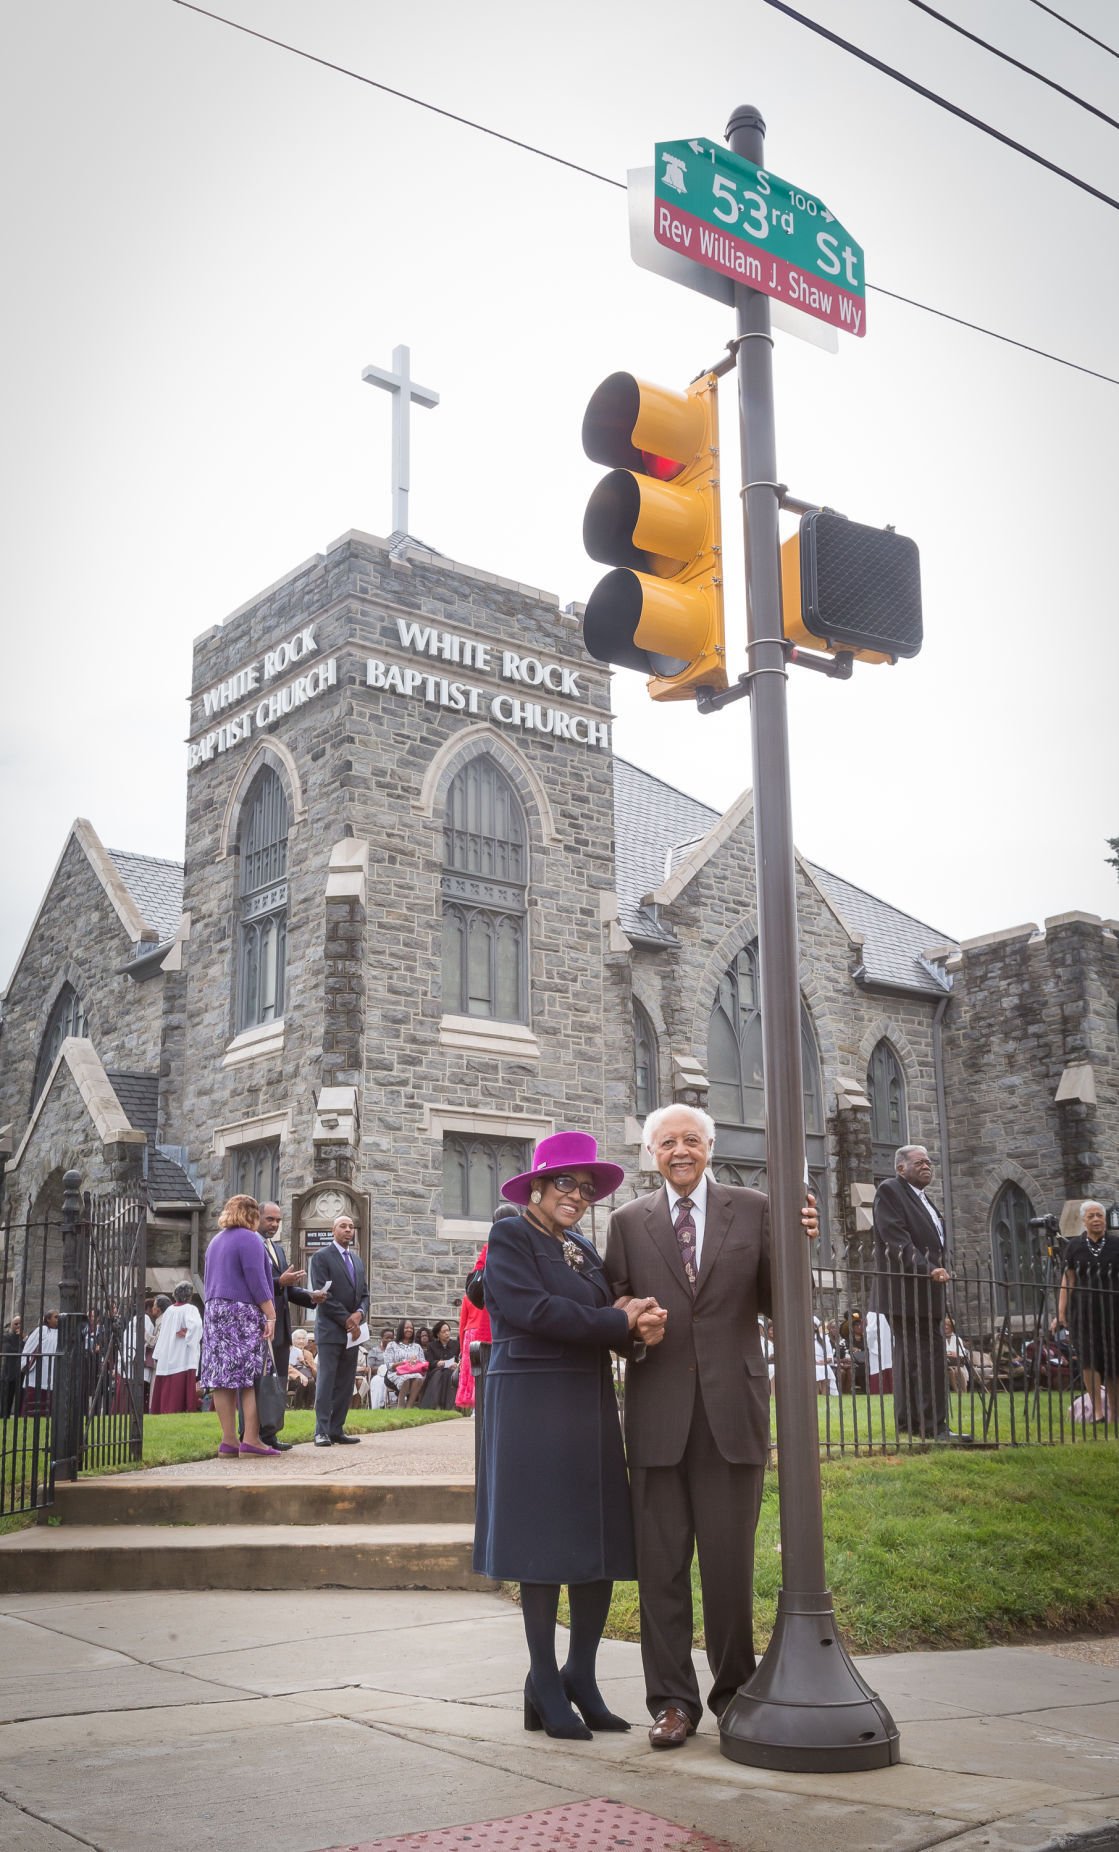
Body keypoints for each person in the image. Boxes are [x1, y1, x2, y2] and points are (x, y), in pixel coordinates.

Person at [604, 1103, 818, 1749]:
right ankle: (671, 1703)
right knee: (661, 1571)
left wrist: (799, 1243)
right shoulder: (626, 1222)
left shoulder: (755, 1209)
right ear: (651, 1153)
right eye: (666, 1142)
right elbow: (613, 1307)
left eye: (690, 1140)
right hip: (658, 1419)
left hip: (732, 1416)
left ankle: (735, 1695)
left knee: (729, 1570)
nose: (679, 1151)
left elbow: (783, 1301)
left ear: (709, 1146)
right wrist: (630, 1321)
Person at [473, 1130, 665, 1741]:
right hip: (531, 1402)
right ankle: (542, 1681)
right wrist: (617, 1319)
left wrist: (638, 1326)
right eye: (566, 1184)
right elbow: (533, 1311)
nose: (577, 1197)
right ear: (536, 1185)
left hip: (586, 1400)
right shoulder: (510, 1235)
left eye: (586, 1189)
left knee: (595, 1537)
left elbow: (609, 1312)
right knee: (542, 1542)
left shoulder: (581, 1245)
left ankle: (579, 1673)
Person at [872, 1145, 965, 1443]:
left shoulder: (925, 1200)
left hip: (927, 1292)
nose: (927, 1166)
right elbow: (896, 1239)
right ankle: (934, 1426)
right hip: (907, 1290)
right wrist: (928, 1269)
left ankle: (912, 1424)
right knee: (926, 1357)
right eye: (919, 1162)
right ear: (901, 1168)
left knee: (914, 1356)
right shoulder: (891, 1191)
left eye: (928, 1162)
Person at [199, 1194, 280, 1457]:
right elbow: (257, 1280)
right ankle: (252, 1440)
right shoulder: (250, 1239)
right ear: (252, 1214)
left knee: (223, 1378)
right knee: (249, 1378)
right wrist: (271, 1314)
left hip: (214, 1310)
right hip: (241, 1311)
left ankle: (229, 1440)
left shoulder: (215, 1241)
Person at [255, 1200, 326, 1449]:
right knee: (261, 1382)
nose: (274, 1225)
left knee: (278, 1382)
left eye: (277, 1220)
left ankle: (271, 1433)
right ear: (257, 1217)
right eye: (269, 1219)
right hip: (262, 1326)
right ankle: (254, 1434)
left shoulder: (279, 1250)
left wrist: (310, 1296)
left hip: (283, 1326)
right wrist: (279, 1281)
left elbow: (287, 1288)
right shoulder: (251, 1246)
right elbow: (257, 1285)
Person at [1055, 1200, 1119, 1424]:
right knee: (1089, 1360)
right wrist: (1061, 1312)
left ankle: (1114, 1412)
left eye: (1099, 1215)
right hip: (1083, 1312)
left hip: (1113, 1311)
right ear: (1084, 1221)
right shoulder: (1074, 1247)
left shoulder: (1115, 1244)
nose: (1096, 1220)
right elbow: (1068, 1280)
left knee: (1113, 1362)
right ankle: (1098, 1411)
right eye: (1091, 1216)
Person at [308, 1213, 369, 1446]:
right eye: (343, 1226)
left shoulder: (357, 1260)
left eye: (351, 1227)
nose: (348, 1230)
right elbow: (323, 1295)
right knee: (326, 1380)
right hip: (331, 1331)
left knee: (346, 1382)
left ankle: (336, 1429)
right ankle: (321, 1431)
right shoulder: (321, 1257)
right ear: (333, 1230)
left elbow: (364, 1294)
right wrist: (347, 1320)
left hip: (352, 1334)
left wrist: (360, 1314)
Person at [149, 1283, 203, 1413]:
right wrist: (189, 1335)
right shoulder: (191, 1309)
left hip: (167, 1355)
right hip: (182, 1355)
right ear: (189, 1296)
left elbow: (164, 1334)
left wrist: (157, 1354)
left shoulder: (169, 1311)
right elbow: (196, 1327)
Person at [20, 1311, 59, 1416]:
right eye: (56, 1317)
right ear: (48, 1319)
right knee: (33, 1403)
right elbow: (29, 1348)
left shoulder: (62, 1332)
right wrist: (25, 1363)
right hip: (38, 1372)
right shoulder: (41, 1330)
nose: (58, 1319)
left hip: (53, 1372)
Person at [384, 1320, 428, 1407]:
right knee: (406, 1379)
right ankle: (400, 1406)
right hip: (395, 1373)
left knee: (419, 1378)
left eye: (411, 1328)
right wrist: (405, 1362)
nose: (409, 1330)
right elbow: (389, 1366)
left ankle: (409, 1407)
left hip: (414, 1373)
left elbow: (423, 1364)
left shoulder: (417, 1346)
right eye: (406, 1328)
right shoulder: (392, 1345)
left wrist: (416, 1363)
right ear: (401, 1329)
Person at [418, 1320, 459, 1409]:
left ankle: (449, 1406)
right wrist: (437, 1363)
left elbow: (460, 1359)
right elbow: (429, 1362)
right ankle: (435, 1405)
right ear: (438, 1334)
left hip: (452, 1370)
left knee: (449, 1374)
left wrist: (457, 1364)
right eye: (444, 1332)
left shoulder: (455, 1344)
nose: (447, 1333)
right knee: (441, 1374)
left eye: (448, 1330)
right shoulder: (432, 1346)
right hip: (437, 1371)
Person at [1, 1316, 23, 1420]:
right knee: (6, 1397)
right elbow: (8, 1351)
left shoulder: (23, 1337)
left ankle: (18, 1416)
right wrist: (22, 1344)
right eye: (16, 1324)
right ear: (11, 1325)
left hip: (21, 1371)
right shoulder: (6, 1336)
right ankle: (4, 1416)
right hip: (9, 1371)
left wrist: (23, 1340)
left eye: (20, 1324)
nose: (18, 1326)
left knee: (20, 1396)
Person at [943, 1314, 969, 1395]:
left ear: (952, 1327)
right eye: (945, 1325)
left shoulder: (957, 1339)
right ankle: (956, 1391)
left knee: (959, 1370)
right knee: (951, 1371)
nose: (946, 1327)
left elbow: (963, 1353)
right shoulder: (940, 1338)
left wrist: (956, 1354)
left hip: (957, 1363)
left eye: (948, 1325)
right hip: (945, 1364)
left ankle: (964, 1391)